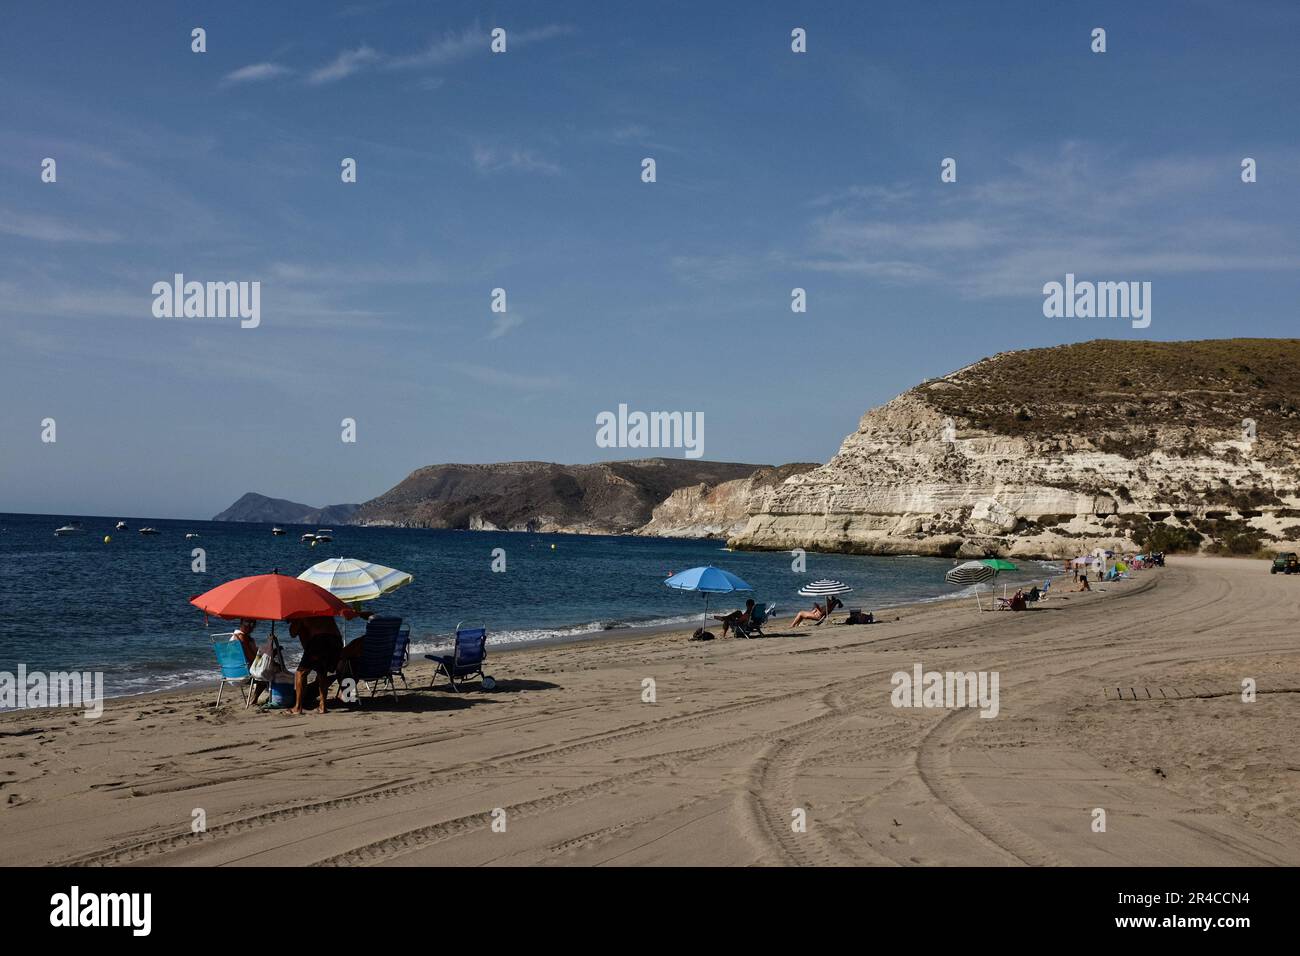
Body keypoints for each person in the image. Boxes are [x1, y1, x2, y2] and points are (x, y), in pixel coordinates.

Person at [286, 616, 343, 715]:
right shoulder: (321, 609)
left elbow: (293, 633)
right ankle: (323, 706)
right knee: (322, 672)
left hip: (320, 640)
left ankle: (297, 707)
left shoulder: (302, 612)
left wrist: (294, 621)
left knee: (300, 673)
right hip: (336, 641)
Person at [232, 619, 270, 707]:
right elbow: (252, 659)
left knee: (268, 667)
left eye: (253, 623)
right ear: (241, 622)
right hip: (242, 675)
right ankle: (254, 699)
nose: (250, 626)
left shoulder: (234, 636)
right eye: (247, 622)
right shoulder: (241, 637)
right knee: (268, 672)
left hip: (230, 674)